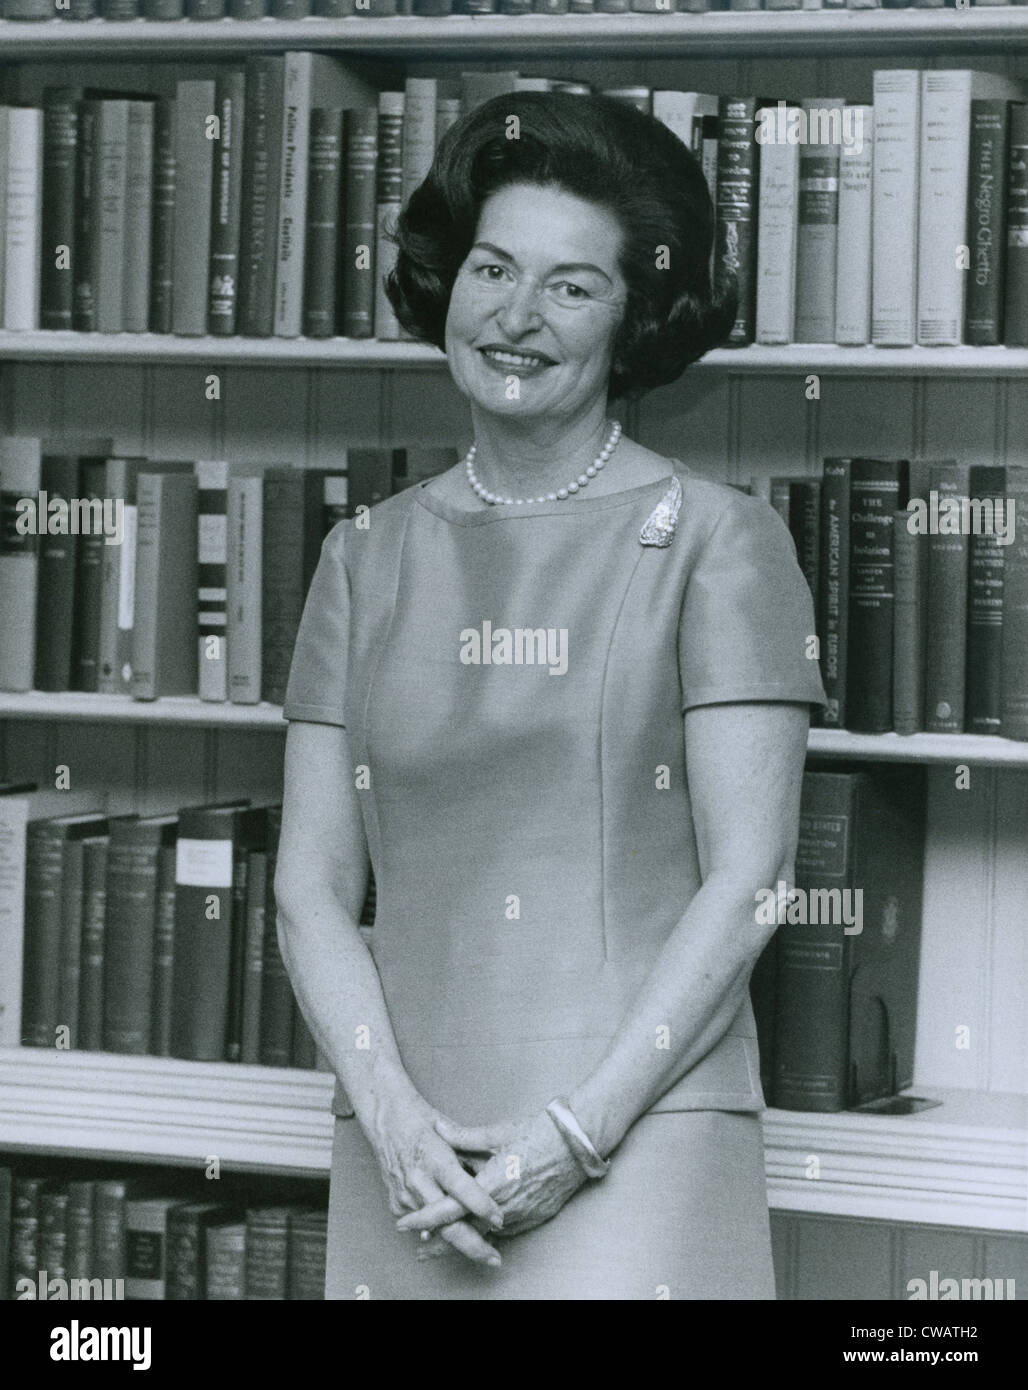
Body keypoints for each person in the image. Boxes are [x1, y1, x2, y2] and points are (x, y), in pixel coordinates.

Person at [276, 91, 827, 1300]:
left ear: (633, 319)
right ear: (446, 285)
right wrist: (390, 1119)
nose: (515, 319)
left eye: (570, 287)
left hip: (637, 1140)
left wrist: (573, 1137)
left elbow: (750, 883)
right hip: (405, 1154)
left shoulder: (717, 545)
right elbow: (309, 886)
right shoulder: (361, 558)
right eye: (491, 270)